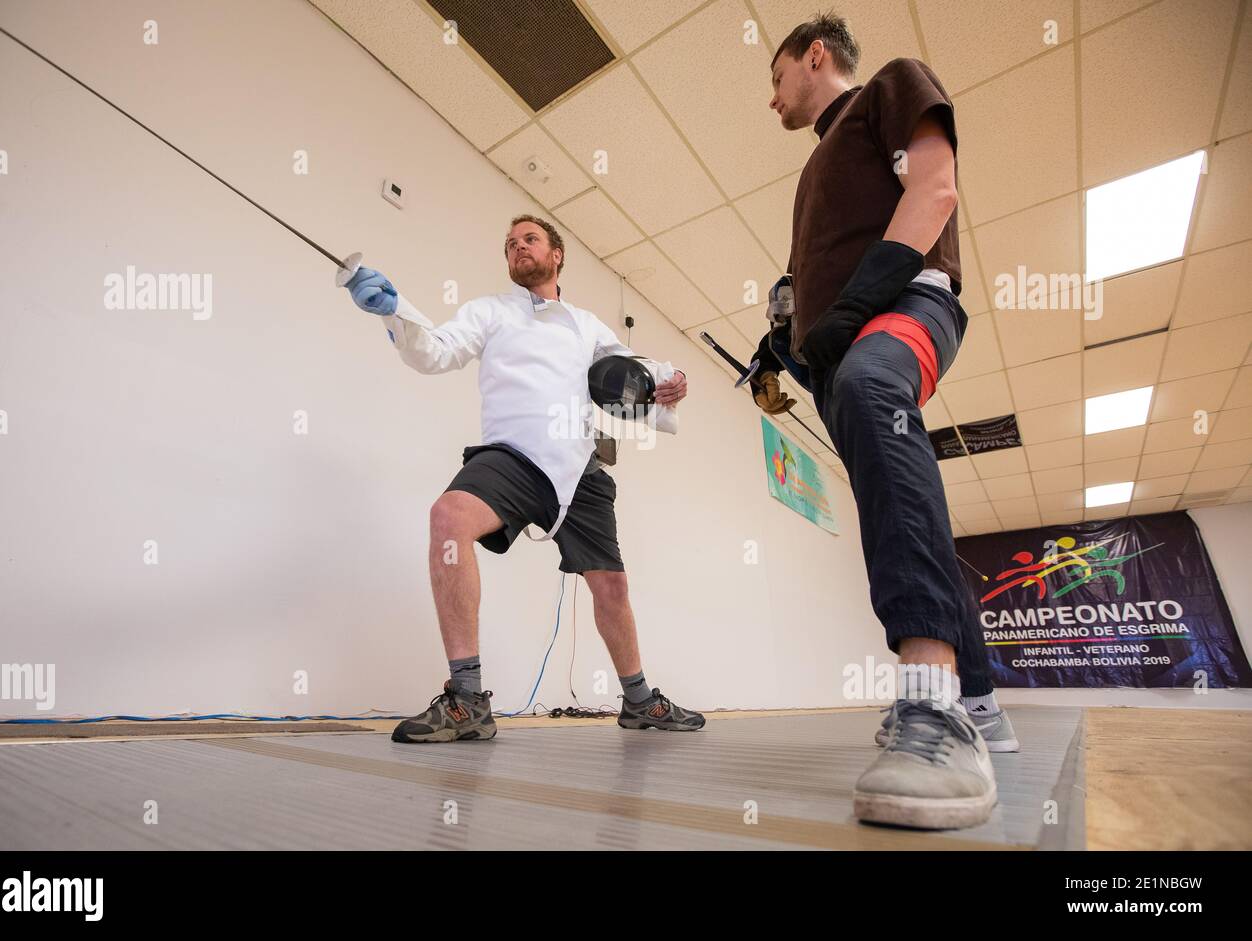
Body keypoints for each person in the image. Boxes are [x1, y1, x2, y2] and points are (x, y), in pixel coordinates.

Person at [757, 12, 1018, 829]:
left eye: (776, 79)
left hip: (905, 307)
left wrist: (858, 301)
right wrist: (785, 336)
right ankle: (981, 700)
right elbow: (814, 286)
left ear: (815, 56)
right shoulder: (810, 178)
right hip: (836, 349)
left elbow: (933, 190)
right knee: (898, 498)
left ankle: (931, 703)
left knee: (875, 393)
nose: (771, 100)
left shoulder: (890, 88)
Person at [343, 215, 705, 742]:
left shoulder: (586, 325)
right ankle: (468, 699)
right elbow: (435, 351)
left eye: (529, 239)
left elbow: (637, 371)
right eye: (510, 243)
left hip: (580, 467)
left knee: (612, 586)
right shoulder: (489, 311)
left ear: (557, 254)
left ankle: (640, 701)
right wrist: (395, 312)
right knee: (448, 518)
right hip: (513, 456)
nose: (517, 247)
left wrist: (671, 383)